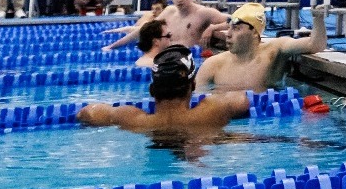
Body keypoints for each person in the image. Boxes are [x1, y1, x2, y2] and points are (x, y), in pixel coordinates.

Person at [77, 45, 251, 134]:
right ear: (193, 86)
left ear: (152, 90)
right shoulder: (212, 110)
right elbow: (241, 101)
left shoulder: (131, 119)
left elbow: (87, 113)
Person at [196, 2, 328, 92]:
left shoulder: (274, 50)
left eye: (236, 29)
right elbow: (196, 103)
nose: (228, 34)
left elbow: (315, 44)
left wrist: (318, 19)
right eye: (229, 28)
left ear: (254, 32)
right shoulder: (212, 65)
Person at [161, 0, 232, 50]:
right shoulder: (169, 12)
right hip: (171, 56)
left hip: (194, 57)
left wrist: (213, 28)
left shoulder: (203, 13)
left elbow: (234, 20)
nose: (179, 0)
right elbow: (150, 26)